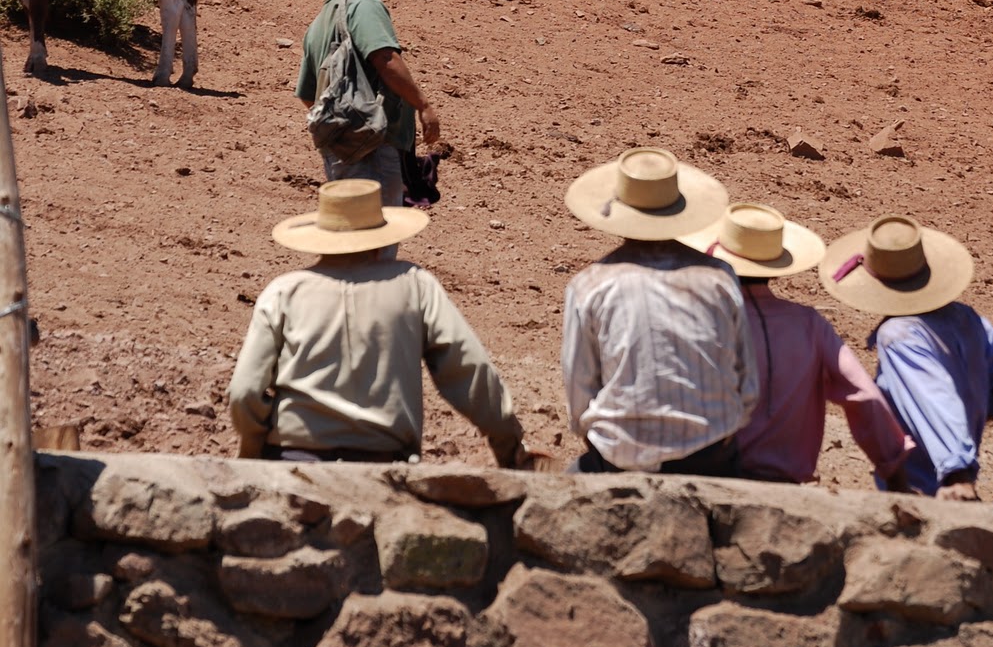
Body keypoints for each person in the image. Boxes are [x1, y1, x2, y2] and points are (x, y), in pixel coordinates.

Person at [229, 179, 528, 465]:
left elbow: (244, 391)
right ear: (380, 236)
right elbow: (469, 368)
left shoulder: (284, 292)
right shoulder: (413, 284)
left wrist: (255, 452)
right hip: (383, 461)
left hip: (290, 458)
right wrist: (508, 445)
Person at [680, 201, 913, 487]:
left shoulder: (697, 316)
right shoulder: (809, 325)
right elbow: (863, 396)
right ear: (776, 268)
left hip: (706, 476)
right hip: (783, 484)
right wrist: (893, 467)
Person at [561, 147, 759, 475]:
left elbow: (579, 389)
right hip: (708, 452)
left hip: (618, 455)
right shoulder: (719, 278)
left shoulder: (588, 285)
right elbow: (747, 384)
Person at [819, 213, 993, 500]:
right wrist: (976, 409)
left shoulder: (898, 335)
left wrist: (956, 472)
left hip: (930, 490)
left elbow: (935, 396)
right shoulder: (965, 317)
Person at [296, 0, 440, 207]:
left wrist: (341, 130)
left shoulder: (319, 21)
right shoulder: (365, 3)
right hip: (372, 146)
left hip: (337, 150)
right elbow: (385, 59)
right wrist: (424, 105)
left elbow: (308, 95)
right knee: (380, 235)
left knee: (353, 231)